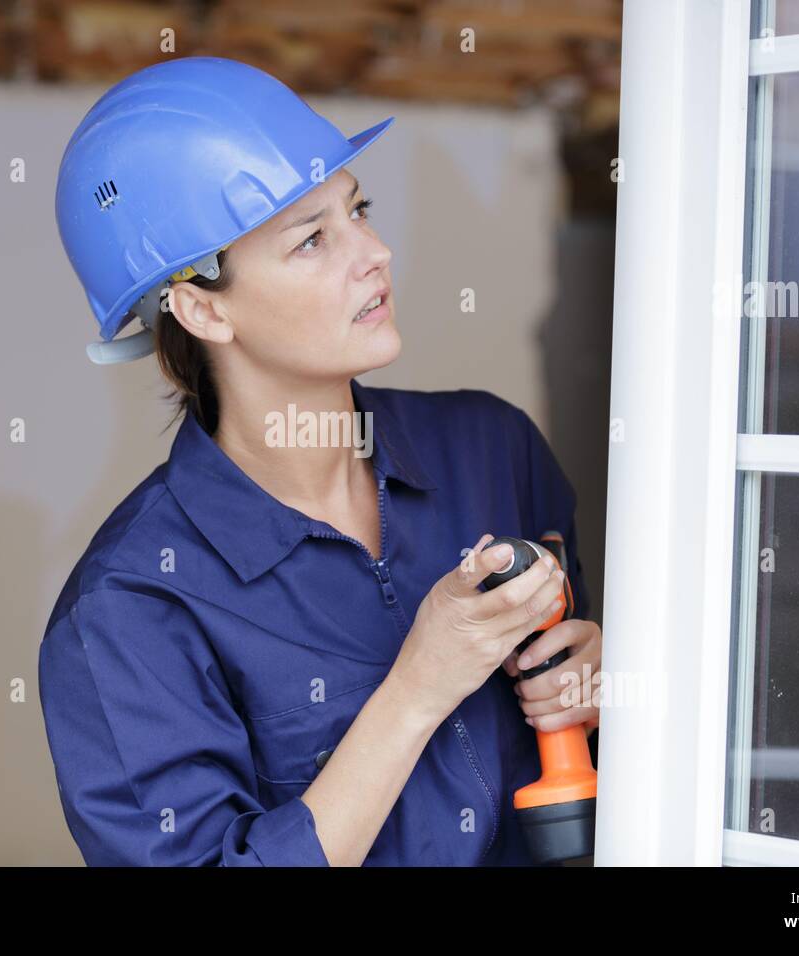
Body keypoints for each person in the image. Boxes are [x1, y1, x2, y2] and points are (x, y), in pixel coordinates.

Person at [40, 56, 602, 866]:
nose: (375, 253)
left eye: (358, 210)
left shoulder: (492, 447)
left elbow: (599, 727)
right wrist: (416, 687)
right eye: (311, 240)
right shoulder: (130, 608)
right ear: (202, 307)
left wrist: (592, 680)